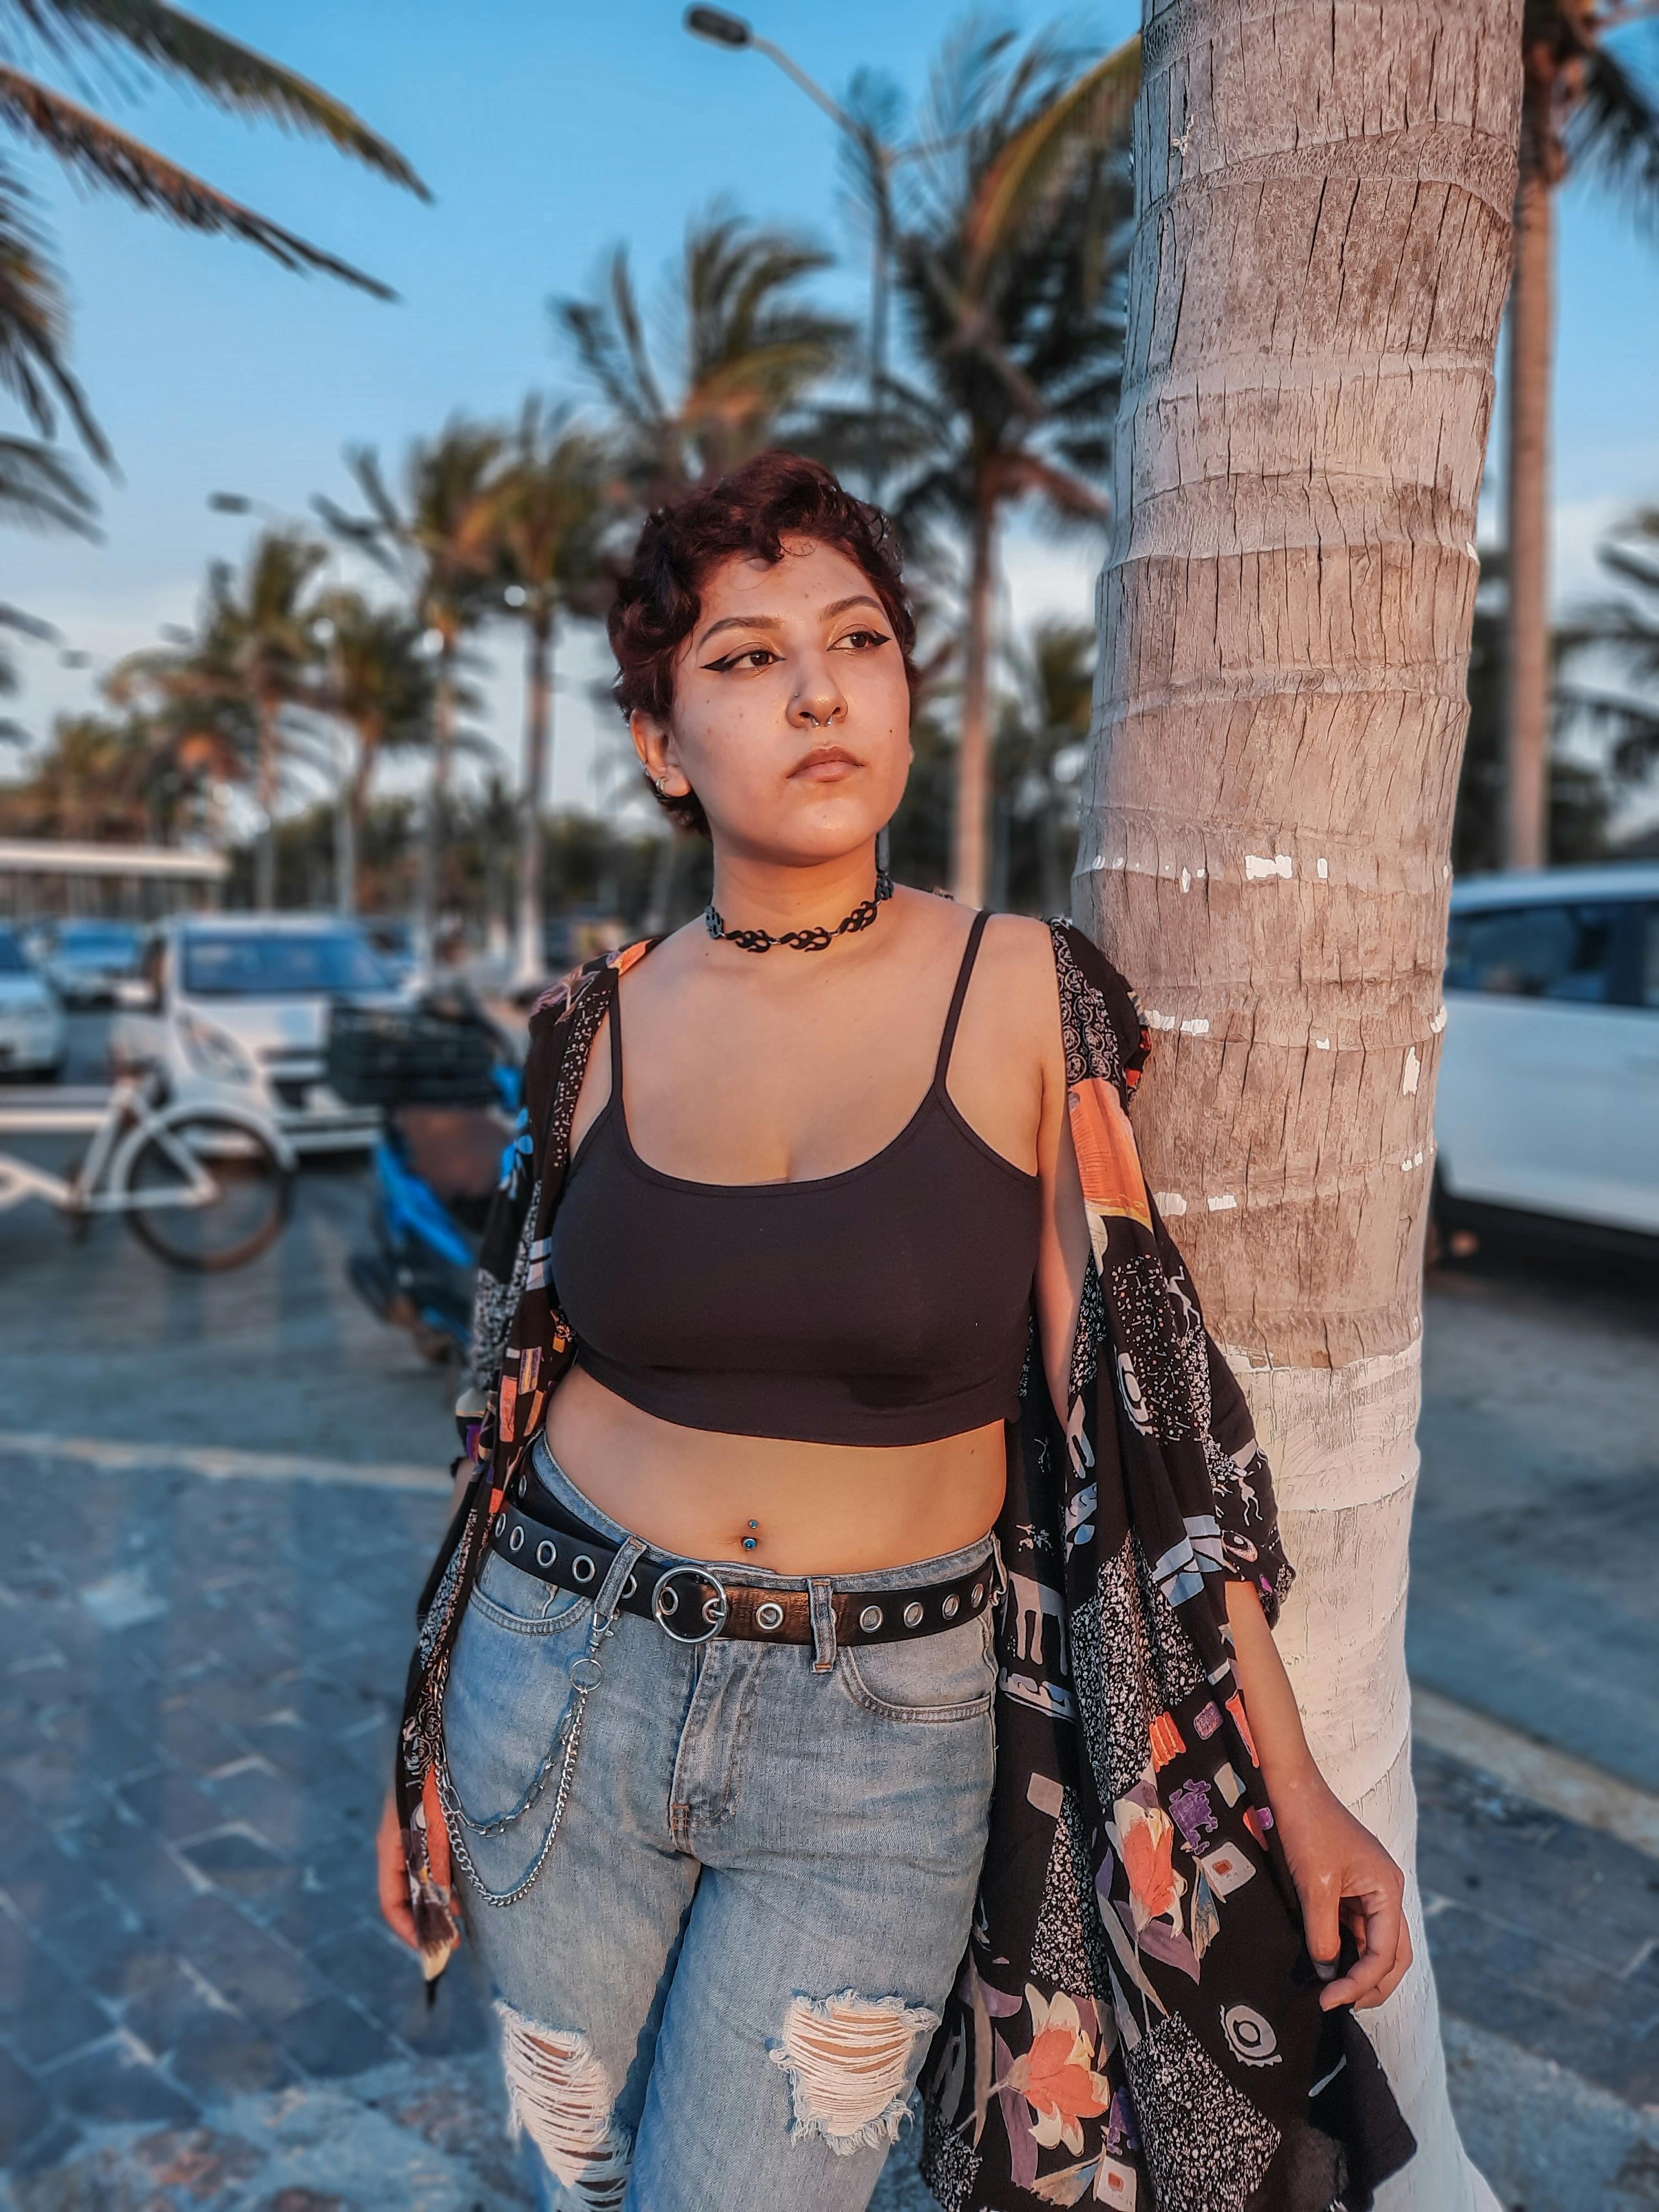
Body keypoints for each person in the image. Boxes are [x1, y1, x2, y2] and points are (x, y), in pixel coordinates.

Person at [378, 453, 1416, 2212]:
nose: (817, 690)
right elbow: (502, 1413)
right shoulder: (590, 1028)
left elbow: (1143, 1426)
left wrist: (1292, 1785)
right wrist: (414, 1749)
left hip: (881, 1735)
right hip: (556, 1682)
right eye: (745, 657)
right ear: (661, 744)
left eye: (857, 641)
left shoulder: (1023, 991)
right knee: (574, 2179)